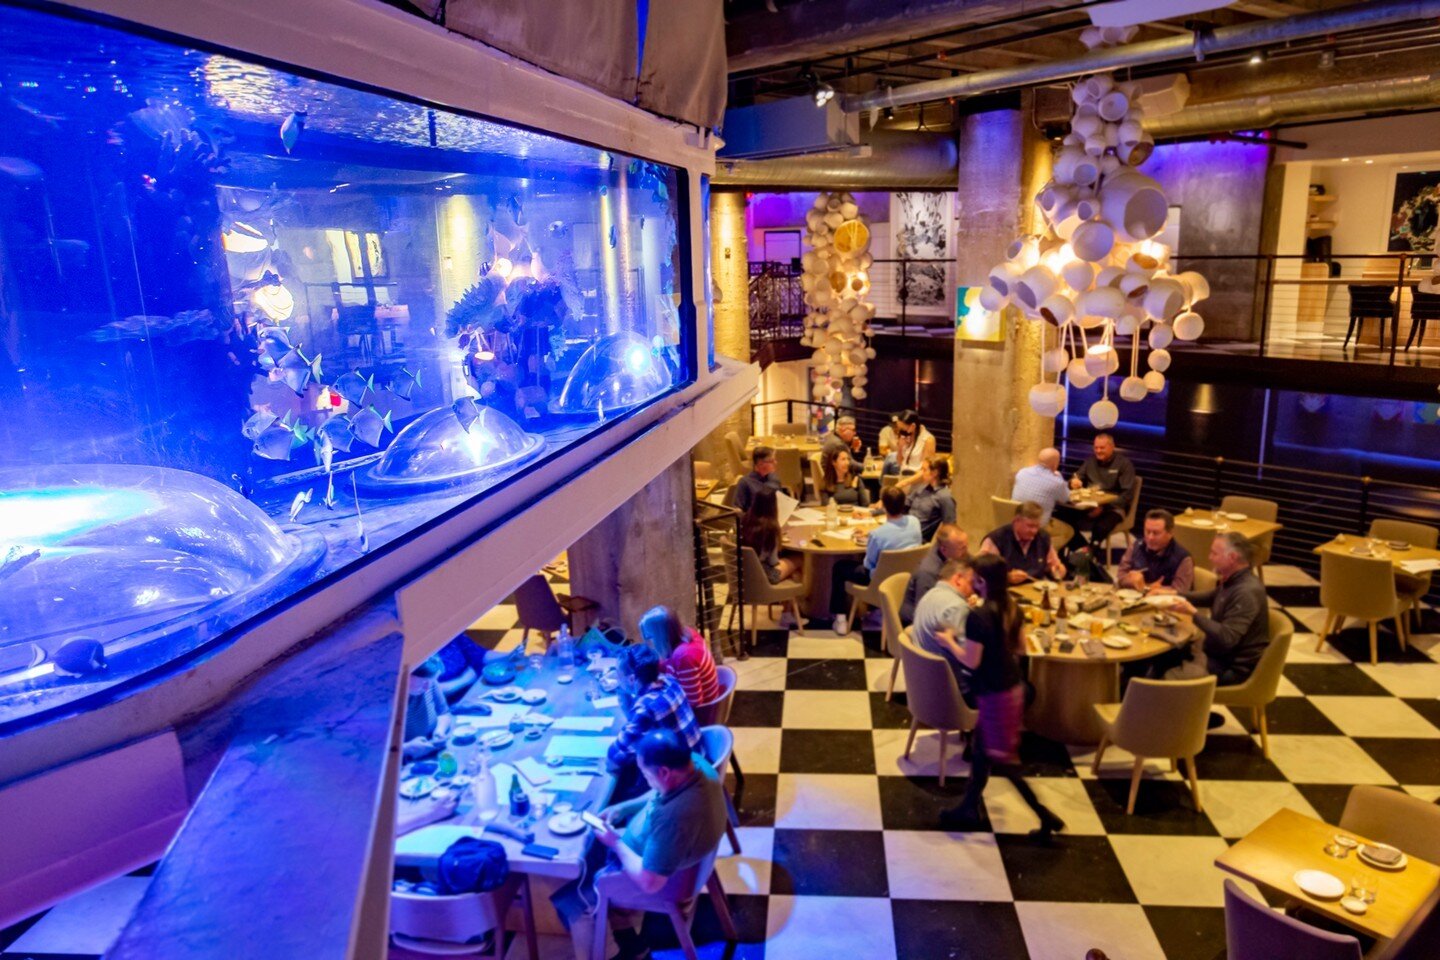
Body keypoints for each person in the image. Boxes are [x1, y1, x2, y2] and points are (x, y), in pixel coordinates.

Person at [554, 728, 727, 960]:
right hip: (670, 855)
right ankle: (629, 942)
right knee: (589, 854)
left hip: (663, 880)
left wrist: (615, 843)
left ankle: (610, 956)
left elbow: (650, 882)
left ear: (664, 772)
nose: (646, 779)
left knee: (573, 901)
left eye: (646, 774)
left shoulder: (676, 818)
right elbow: (657, 793)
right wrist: (623, 808)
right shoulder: (693, 764)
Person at [940, 554, 1065, 837]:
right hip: (1011, 687)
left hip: (995, 694)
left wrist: (948, 642)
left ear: (982, 582)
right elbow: (1020, 648)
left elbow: (971, 660)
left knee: (1005, 762)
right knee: (982, 752)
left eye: (975, 578)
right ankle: (968, 807)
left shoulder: (979, 616)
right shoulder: (1012, 607)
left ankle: (1045, 816)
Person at [1153, 532, 1270, 689]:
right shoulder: (1234, 579)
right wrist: (1173, 593)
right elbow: (1210, 597)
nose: (1210, 558)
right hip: (1215, 653)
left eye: (1214, 553)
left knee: (1164, 682)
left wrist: (1193, 614)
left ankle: (1169, 700)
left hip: (1231, 667)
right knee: (1160, 657)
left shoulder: (1246, 592)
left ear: (1232, 557)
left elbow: (1227, 637)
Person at [830, 486, 922, 635]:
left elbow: (868, 564)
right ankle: (875, 611)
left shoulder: (878, 535)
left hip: (879, 584)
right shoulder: (915, 522)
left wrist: (870, 538)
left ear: (883, 506)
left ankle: (840, 619)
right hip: (908, 578)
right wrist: (871, 535)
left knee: (840, 567)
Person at [607, 645, 702, 783]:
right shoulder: (670, 681)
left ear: (632, 679)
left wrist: (624, 699)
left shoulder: (645, 708)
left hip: (683, 782)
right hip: (698, 762)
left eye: (618, 675)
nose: (617, 679)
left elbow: (614, 759)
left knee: (622, 781)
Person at [1056, 432, 1137, 553]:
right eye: (1096, 448)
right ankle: (1082, 548)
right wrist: (1073, 482)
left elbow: (1127, 495)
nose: (1098, 451)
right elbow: (1076, 477)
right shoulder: (1090, 461)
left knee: (1100, 527)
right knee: (1061, 517)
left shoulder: (1124, 464)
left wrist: (1103, 507)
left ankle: (1090, 554)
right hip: (1089, 505)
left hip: (1113, 508)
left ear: (1112, 447)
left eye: (1102, 448)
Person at [911, 557, 978, 691]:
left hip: (925, 679)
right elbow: (970, 660)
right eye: (972, 583)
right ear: (958, 579)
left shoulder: (930, 594)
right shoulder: (957, 607)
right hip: (952, 687)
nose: (974, 590)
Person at [638, 605, 719, 708]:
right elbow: (668, 664)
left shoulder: (684, 657)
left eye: (650, 636)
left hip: (704, 711)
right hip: (696, 700)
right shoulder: (684, 634)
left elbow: (694, 702)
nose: (650, 642)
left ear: (661, 636)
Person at [980, 501, 1066, 583]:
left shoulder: (1043, 537)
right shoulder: (996, 539)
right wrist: (1007, 577)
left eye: (1037, 526)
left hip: (1036, 588)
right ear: (1016, 521)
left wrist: (1058, 571)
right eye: (1030, 526)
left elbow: (1054, 566)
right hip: (1007, 589)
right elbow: (981, 572)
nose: (1034, 531)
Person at [901, 524, 969, 625]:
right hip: (916, 622)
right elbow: (925, 611)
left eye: (966, 546)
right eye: (962, 548)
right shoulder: (928, 572)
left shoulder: (950, 555)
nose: (966, 551)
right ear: (944, 549)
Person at [1117, 509, 1195, 594]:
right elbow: (1120, 576)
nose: (1150, 537)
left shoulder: (1183, 559)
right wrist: (1129, 580)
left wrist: (1154, 589)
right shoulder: (1136, 547)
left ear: (1170, 533)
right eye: (1147, 531)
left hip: (1164, 601)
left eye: (1156, 533)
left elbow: (1181, 592)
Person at [740, 486, 800, 584]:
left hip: (745, 569)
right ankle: (801, 590)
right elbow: (773, 561)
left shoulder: (745, 519)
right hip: (764, 574)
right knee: (799, 558)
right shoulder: (770, 528)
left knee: (790, 563)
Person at [1011, 447, 1070, 526]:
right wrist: (1059, 476)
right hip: (1036, 527)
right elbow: (1065, 499)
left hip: (1016, 524)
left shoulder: (1022, 472)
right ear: (1055, 464)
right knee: (1067, 526)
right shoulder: (1057, 482)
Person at [903, 456, 956, 541]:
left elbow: (950, 527)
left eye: (924, 470)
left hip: (917, 540)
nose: (921, 473)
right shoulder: (920, 488)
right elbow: (904, 505)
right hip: (904, 530)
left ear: (935, 473)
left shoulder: (945, 497)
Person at [734, 444, 787, 514]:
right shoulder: (745, 482)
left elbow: (782, 502)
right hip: (755, 519)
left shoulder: (774, 478)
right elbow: (738, 510)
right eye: (771, 461)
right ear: (761, 463)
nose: (775, 463)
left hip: (776, 518)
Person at [819, 444, 871, 508]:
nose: (847, 463)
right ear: (833, 462)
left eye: (848, 459)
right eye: (843, 459)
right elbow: (825, 508)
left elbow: (865, 504)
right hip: (836, 513)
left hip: (856, 513)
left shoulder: (855, 478)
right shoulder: (826, 483)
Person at [890, 410, 936, 479]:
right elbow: (900, 462)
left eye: (902, 429)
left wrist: (906, 482)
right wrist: (900, 447)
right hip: (903, 476)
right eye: (899, 428)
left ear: (912, 426)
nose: (900, 432)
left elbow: (925, 470)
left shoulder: (928, 440)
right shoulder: (905, 436)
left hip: (917, 480)